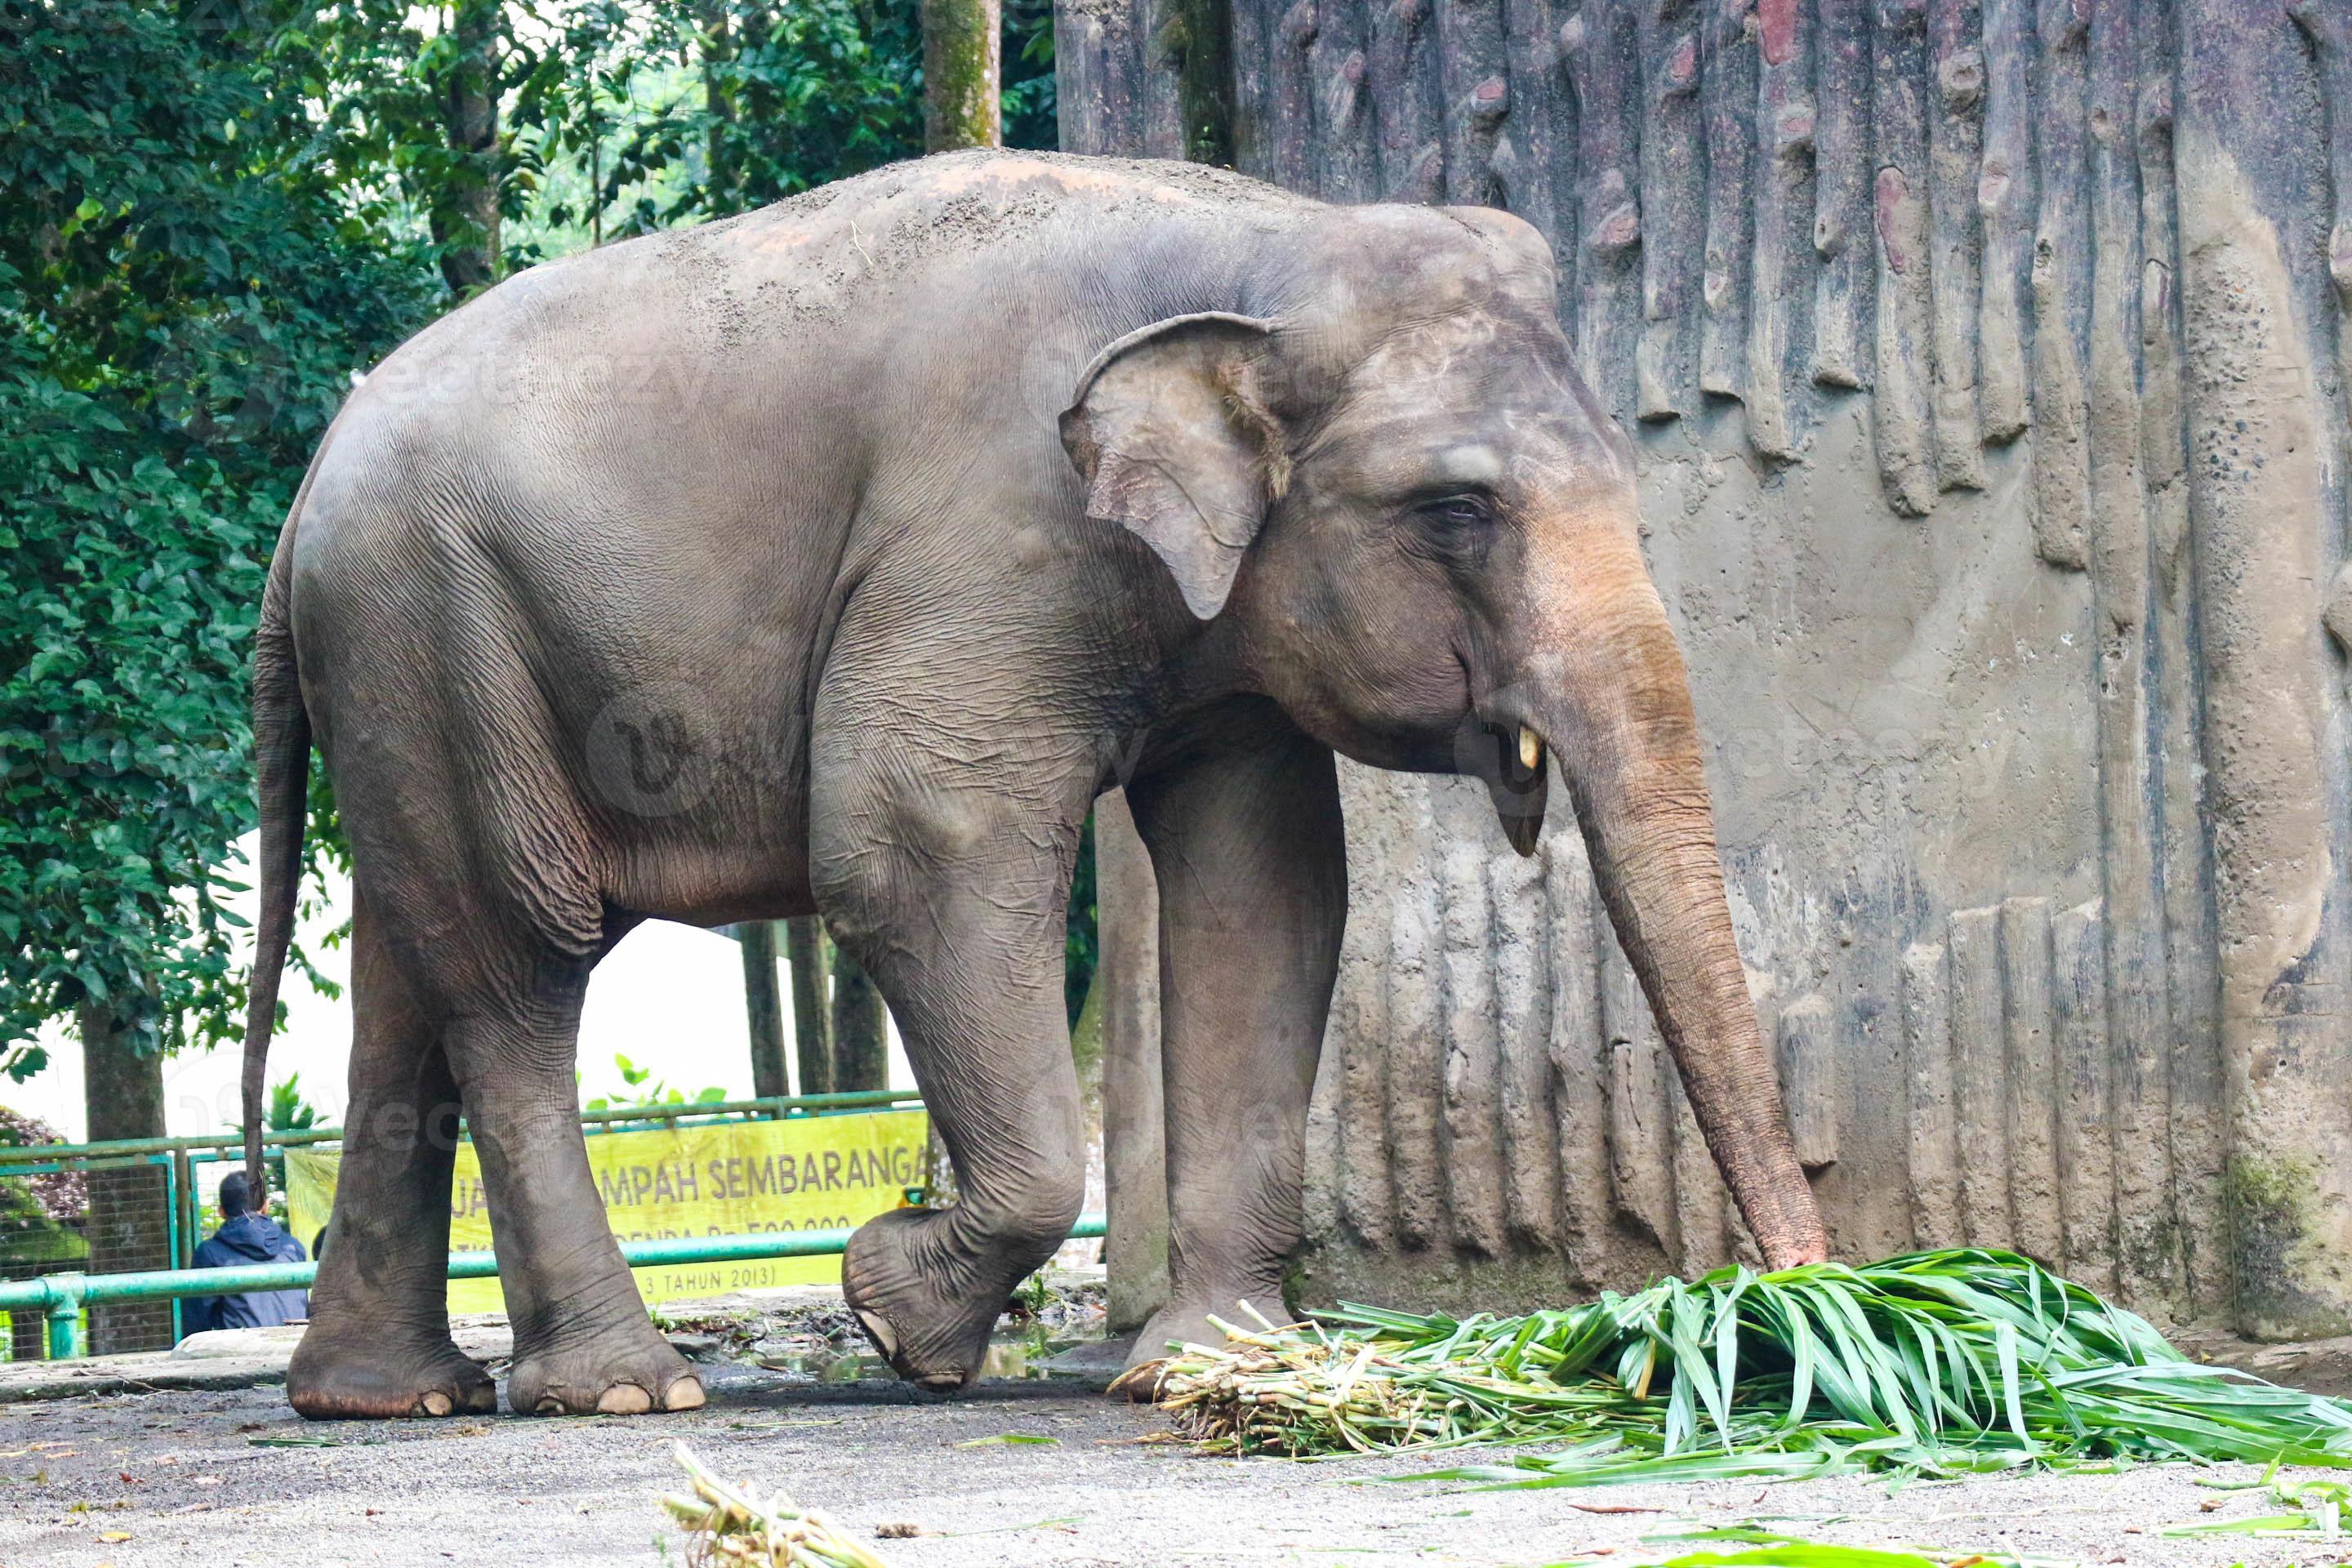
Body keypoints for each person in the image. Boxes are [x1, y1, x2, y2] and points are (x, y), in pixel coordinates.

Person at [182, 1169, 309, 1336]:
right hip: (296, 1346)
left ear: (221, 1211)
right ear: (265, 1206)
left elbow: (196, 1323)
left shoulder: (209, 1253)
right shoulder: (293, 1247)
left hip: (241, 1352)